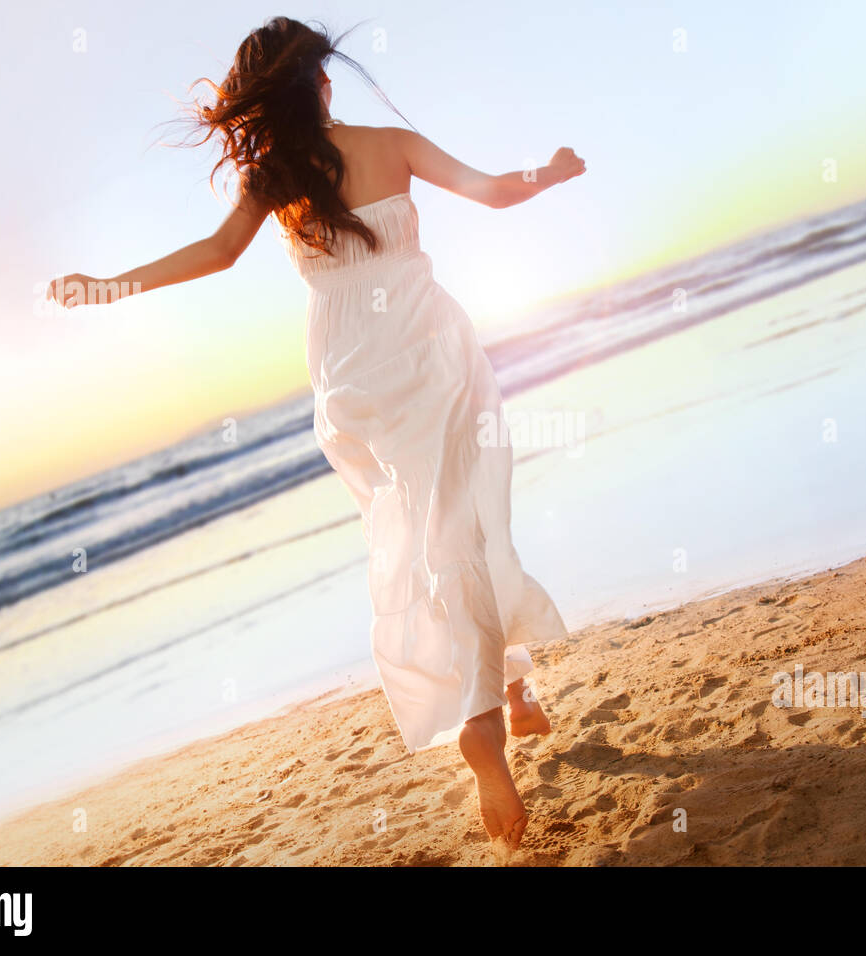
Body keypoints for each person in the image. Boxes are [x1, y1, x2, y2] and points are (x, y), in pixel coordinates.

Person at [48, 16, 586, 853]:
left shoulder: (277, 176)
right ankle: (486, 718)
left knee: (421, 533)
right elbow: (493, 190)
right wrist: (546, 173)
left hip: (351, 376)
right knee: (466, 523)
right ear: (325, 84)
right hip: (426, 349)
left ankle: (510, 692)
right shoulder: (391, 143)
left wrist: (108, 287)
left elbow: (217, 254)